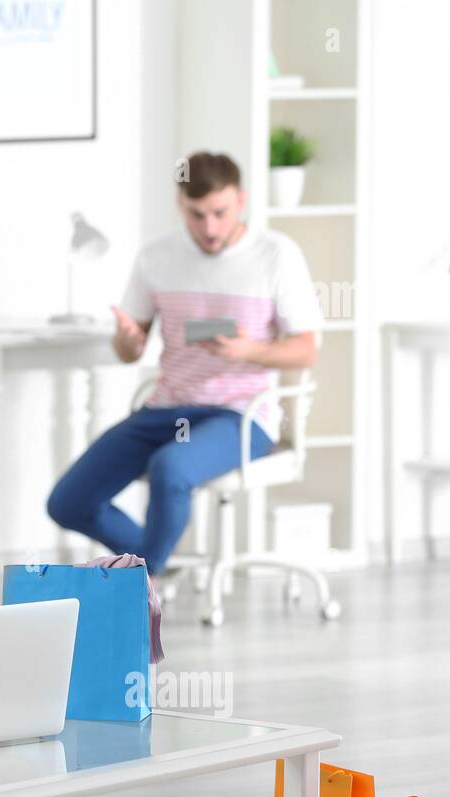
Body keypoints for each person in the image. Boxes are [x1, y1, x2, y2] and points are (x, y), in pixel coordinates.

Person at [47, 151, 322, 584]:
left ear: (241, 201)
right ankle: (153, 560)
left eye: (219, 212)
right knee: (68, 501)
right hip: (164, 409)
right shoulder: (156, 257)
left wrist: (248, 350)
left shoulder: (276, 255)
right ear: (180, 203)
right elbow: (128, 351)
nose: (209, 227)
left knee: (171, 467)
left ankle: (144, 581)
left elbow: (306, 351)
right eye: (197, 214)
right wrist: (128, 340)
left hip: (240, 416)